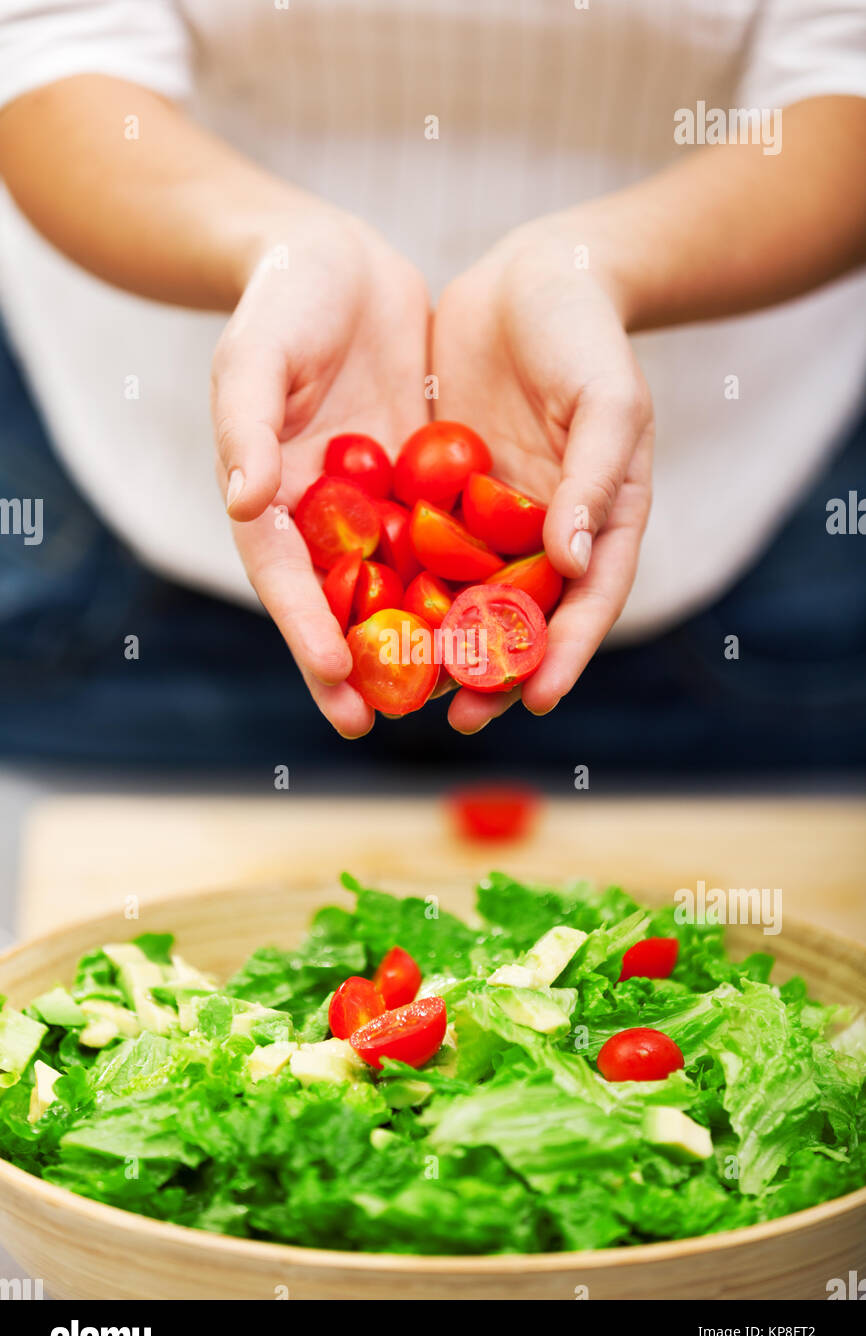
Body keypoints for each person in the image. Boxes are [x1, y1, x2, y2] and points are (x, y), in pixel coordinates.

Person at [0, 1, 865, 765]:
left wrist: (596, 268)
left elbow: (847, 74)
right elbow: (49, 45)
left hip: (760, 523)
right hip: (122, 514)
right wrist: (277, 248)